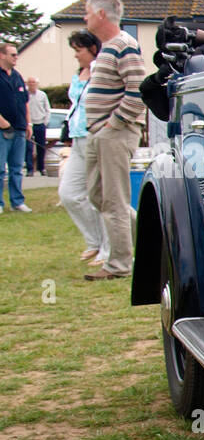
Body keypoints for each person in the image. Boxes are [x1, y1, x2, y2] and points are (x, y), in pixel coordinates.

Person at [81, 0, 145, 280]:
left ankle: (119, 265)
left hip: (114, 133)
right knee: (98, 195)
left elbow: (137, 91)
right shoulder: (108, 47)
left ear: (101, 14)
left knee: (114, 201)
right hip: (100, 134)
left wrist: (113, 125)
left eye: (88, 12)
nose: (85, 17)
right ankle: (153, 238)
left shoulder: (124, 45)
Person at [59, 29, 110, 265]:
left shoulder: (103, 70)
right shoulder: (79, 73)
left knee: (100, 195)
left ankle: (109, 249)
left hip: (96, 137)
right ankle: (94, 241)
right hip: (77, 139)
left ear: (91, 48)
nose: (76, 55)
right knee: (69, 194)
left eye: (78, 50)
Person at [0, 43, 32, 213]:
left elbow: (25, 101)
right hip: (2, 129)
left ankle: (17, 202)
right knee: (0, 168)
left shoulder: (18, 76)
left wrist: (28, 123)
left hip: (19, 129)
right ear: (2, 55)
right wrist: (2, 122)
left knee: (17, 168)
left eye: (16, 54)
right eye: (12, 55)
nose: (16, 57)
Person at [25, 76, 51, 176]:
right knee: (29, 148)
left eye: (33, 82)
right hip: (29, 125)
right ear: (27, 84)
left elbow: (47, 109)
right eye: (29, 82)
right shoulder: (24, 94)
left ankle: (41, 168)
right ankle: (30, 169)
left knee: (41, 147)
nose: (31, 84)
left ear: (37, 84)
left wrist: (45, 122)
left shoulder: (42, 95)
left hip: (40, 124)